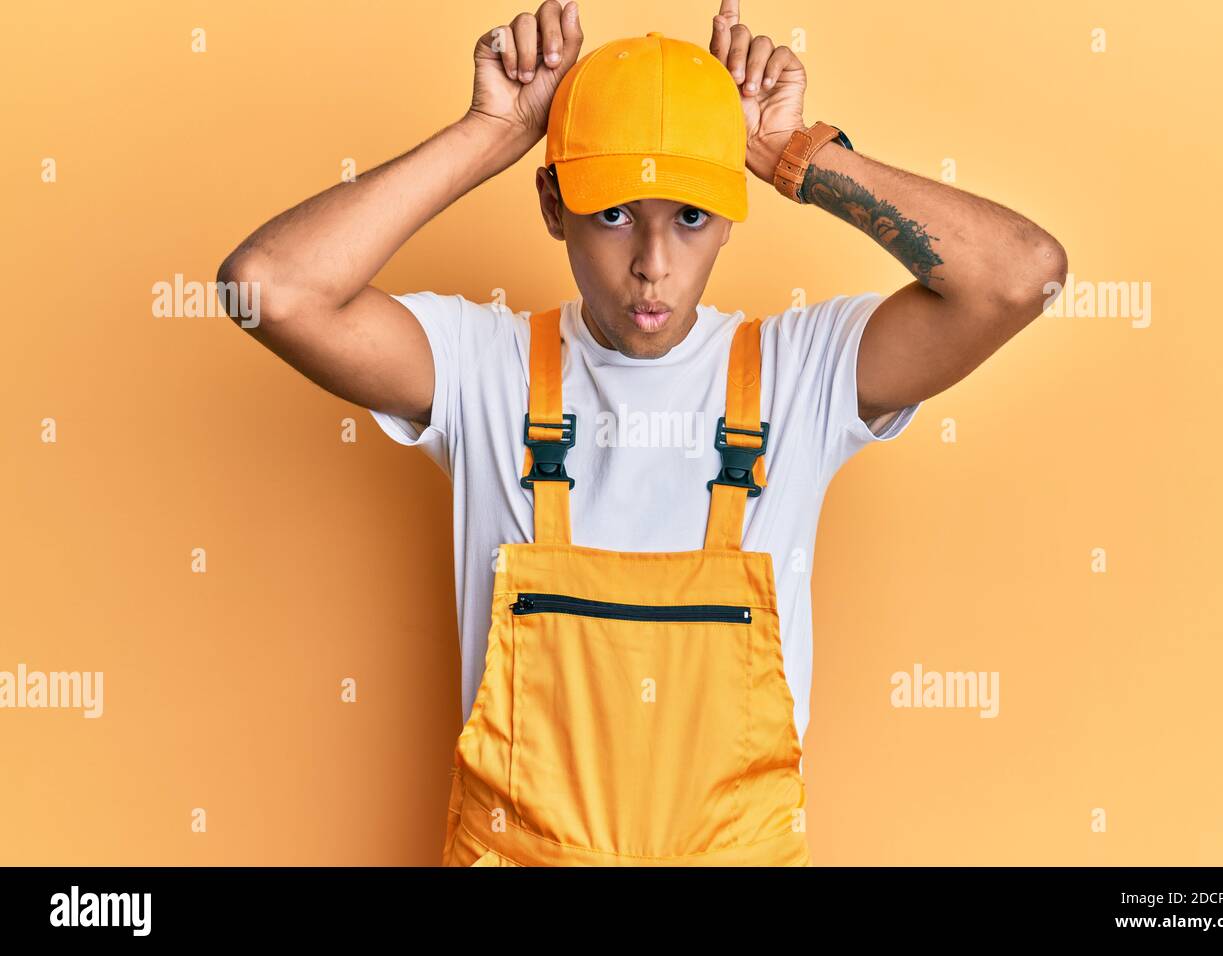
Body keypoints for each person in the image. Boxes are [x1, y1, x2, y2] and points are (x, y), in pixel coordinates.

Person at [218, 0, 1066, 866]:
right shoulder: (484, 368)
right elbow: (269, 288)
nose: (653, 265)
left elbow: (1020, 276)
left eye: (691, 217)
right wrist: (496, 129)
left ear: (733, 214)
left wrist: (797, 157)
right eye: (615, 213)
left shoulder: (800, 375)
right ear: (554, 205)